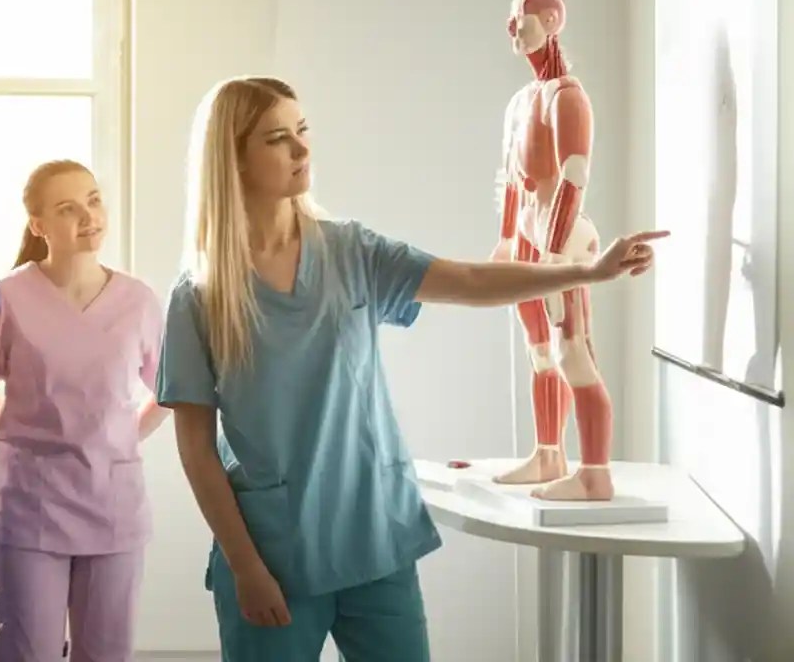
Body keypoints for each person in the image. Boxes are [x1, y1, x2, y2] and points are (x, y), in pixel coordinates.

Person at [156, 77, 665, 661]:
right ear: (234, 160)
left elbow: (470, 281)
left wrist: (587, 273)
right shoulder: (200, 295)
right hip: (272, 553)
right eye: (278, 139)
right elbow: (196, 450)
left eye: (303, 132)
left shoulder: (351, 250)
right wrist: (245, 566)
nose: (302, 151)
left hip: (377, 543)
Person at [0, 160, 167, 661]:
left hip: (112, 501)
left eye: (94, 200)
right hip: (29, 502)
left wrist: (118, 437)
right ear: (39, 226)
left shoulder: (138, 301)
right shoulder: (4, 298)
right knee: (25, 649)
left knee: (105, 652)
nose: (88, 215)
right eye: (67, 208)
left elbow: (169, 390)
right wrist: (23, 434)